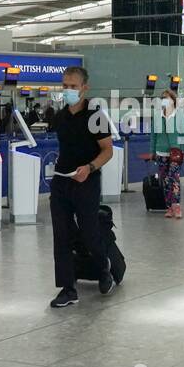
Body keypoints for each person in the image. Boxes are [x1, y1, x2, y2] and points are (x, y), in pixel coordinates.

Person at [48, 66, 116, 308]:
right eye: (65, 86)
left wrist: (90, 167)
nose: (68, 90)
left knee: (89, 232)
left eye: (73, 87)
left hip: (86, 180)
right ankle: (68, 289)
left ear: (84, 88)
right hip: (61, 181)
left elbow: (107, 150)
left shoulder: (95, 116)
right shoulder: (61, 116)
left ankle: (103, 266)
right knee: (62, 235)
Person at [147, 88, 184, 219]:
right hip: (161, 153)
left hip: (176, 153)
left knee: (174, 179)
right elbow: (153, 136)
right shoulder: (157, 116)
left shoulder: (179, 115)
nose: (164, 101)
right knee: (165, 180)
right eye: (162, 98)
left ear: (173, 101)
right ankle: (169, 207)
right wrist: (152, 151)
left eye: (167, 98)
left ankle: (177, 206)